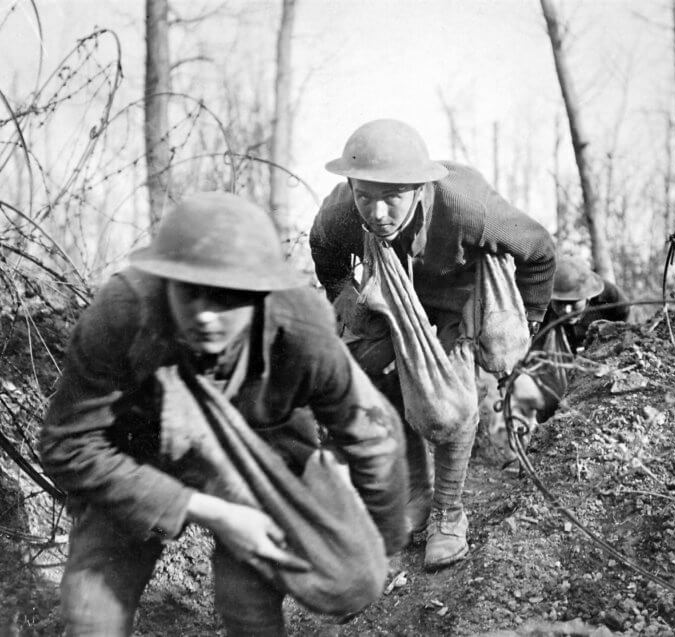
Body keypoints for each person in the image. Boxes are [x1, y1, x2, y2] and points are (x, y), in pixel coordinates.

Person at [41, 192, 409, 636]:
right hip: (140, 452)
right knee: (91, 615)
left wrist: (378, 543)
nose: (207, 315)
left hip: (259, 459)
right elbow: (67, 443)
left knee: (251, 608)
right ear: (164, 282)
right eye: (190, 294)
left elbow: (371, 433)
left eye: (228, 297)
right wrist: (210, 512)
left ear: (260, 296)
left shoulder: (302, 329)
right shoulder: (122, 314)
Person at [309, 119, 555, 569]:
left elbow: (539, 251)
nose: (376, 213)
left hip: (460, 295)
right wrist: (346, 299)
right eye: (365, 196)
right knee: (365, 372)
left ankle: (448, 513)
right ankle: (417, 493)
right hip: (395, 291)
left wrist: (527, 321)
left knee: (447, 402)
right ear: (351, 185)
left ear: (419, 188)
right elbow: (325, 252)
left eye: (392, 199)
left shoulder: (467, 208)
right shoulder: (343, 209)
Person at [514, 255, 630, 422]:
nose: (567, 310)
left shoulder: (610, 297)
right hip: (560, 356)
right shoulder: (541, 306)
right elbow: (534, 346)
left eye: (574, 303)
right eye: (560, 303)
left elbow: (623, 316)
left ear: (588, 297)